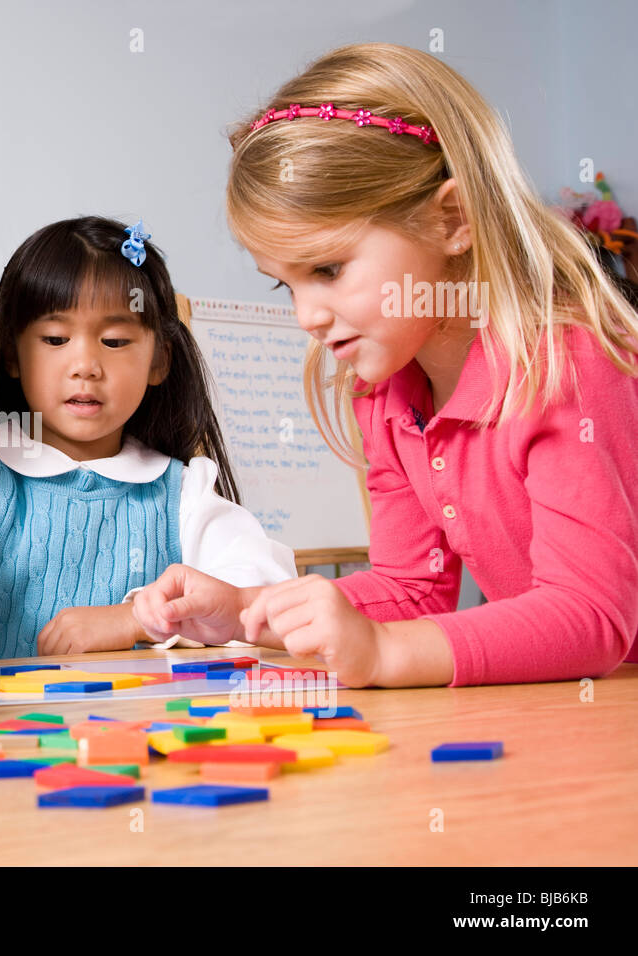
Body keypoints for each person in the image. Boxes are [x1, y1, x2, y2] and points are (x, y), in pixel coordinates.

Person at [133, 43, 638, 688]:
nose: (307, 317)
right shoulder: (385, 391)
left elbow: (592, 618)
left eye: (327, 269)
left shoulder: (566, 361)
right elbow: (410, 588)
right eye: (285, 285)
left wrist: (386, 654)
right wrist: (248, 611)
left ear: (452, 220)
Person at [0, 216, 294, 662]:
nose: (85, 366)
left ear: (159, 362)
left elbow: (261, 592)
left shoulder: (183, 493)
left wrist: (138, 618)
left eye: (114, 341)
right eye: (54, 339)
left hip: (143, 734)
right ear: (13, 354)